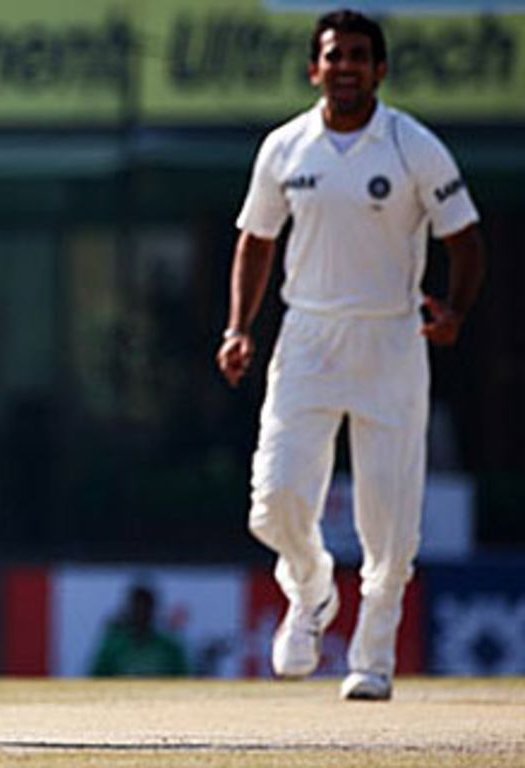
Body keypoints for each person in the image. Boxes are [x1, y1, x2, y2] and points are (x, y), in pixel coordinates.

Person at [216, 9, 484, 701]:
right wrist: (238, 328)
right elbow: (255, 240)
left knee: (389, 524)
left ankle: (373, 658)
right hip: (306, 337)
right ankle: (309, 588)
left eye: (360, 56)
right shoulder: (286, 148)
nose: (347, 67)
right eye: (335, 56)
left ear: (380, 69)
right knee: (272, 503)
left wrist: (454, 311)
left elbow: (465, 238)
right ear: (315, 68)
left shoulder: (412, 145)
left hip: (390, 339)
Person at [90, 585, 189, 677]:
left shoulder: (169, 647)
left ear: (153, 610)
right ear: (130, 609)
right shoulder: (113, 647)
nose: (141, 613)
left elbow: (186, 679)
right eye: (137, 607)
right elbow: (95, 679)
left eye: (145, 607)